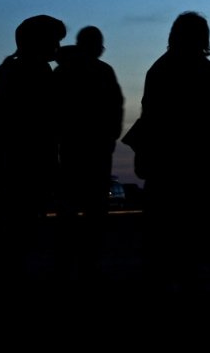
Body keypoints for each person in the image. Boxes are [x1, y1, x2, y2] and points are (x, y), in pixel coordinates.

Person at [129, 12, 210, 277]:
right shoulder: (206, 70)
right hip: (196, 162)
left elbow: (149, 116)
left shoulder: (158, 69)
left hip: (163, 164)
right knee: (194, 239)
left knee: (162, 238)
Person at [54, 25, 125, 270]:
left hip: (74, 148)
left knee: (71, 208)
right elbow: (116, 108)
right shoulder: (103, 72)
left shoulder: (62, 71)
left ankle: (68, 261)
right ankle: (87, 262)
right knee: (92, 210)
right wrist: (109, 138)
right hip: (93, 150)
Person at [0, 15, 65, 234]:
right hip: (25, 167)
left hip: (11, 165)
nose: (58, 46)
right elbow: (45, 122)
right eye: (54, 40)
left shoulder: (7, 70)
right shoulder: (35, 71)